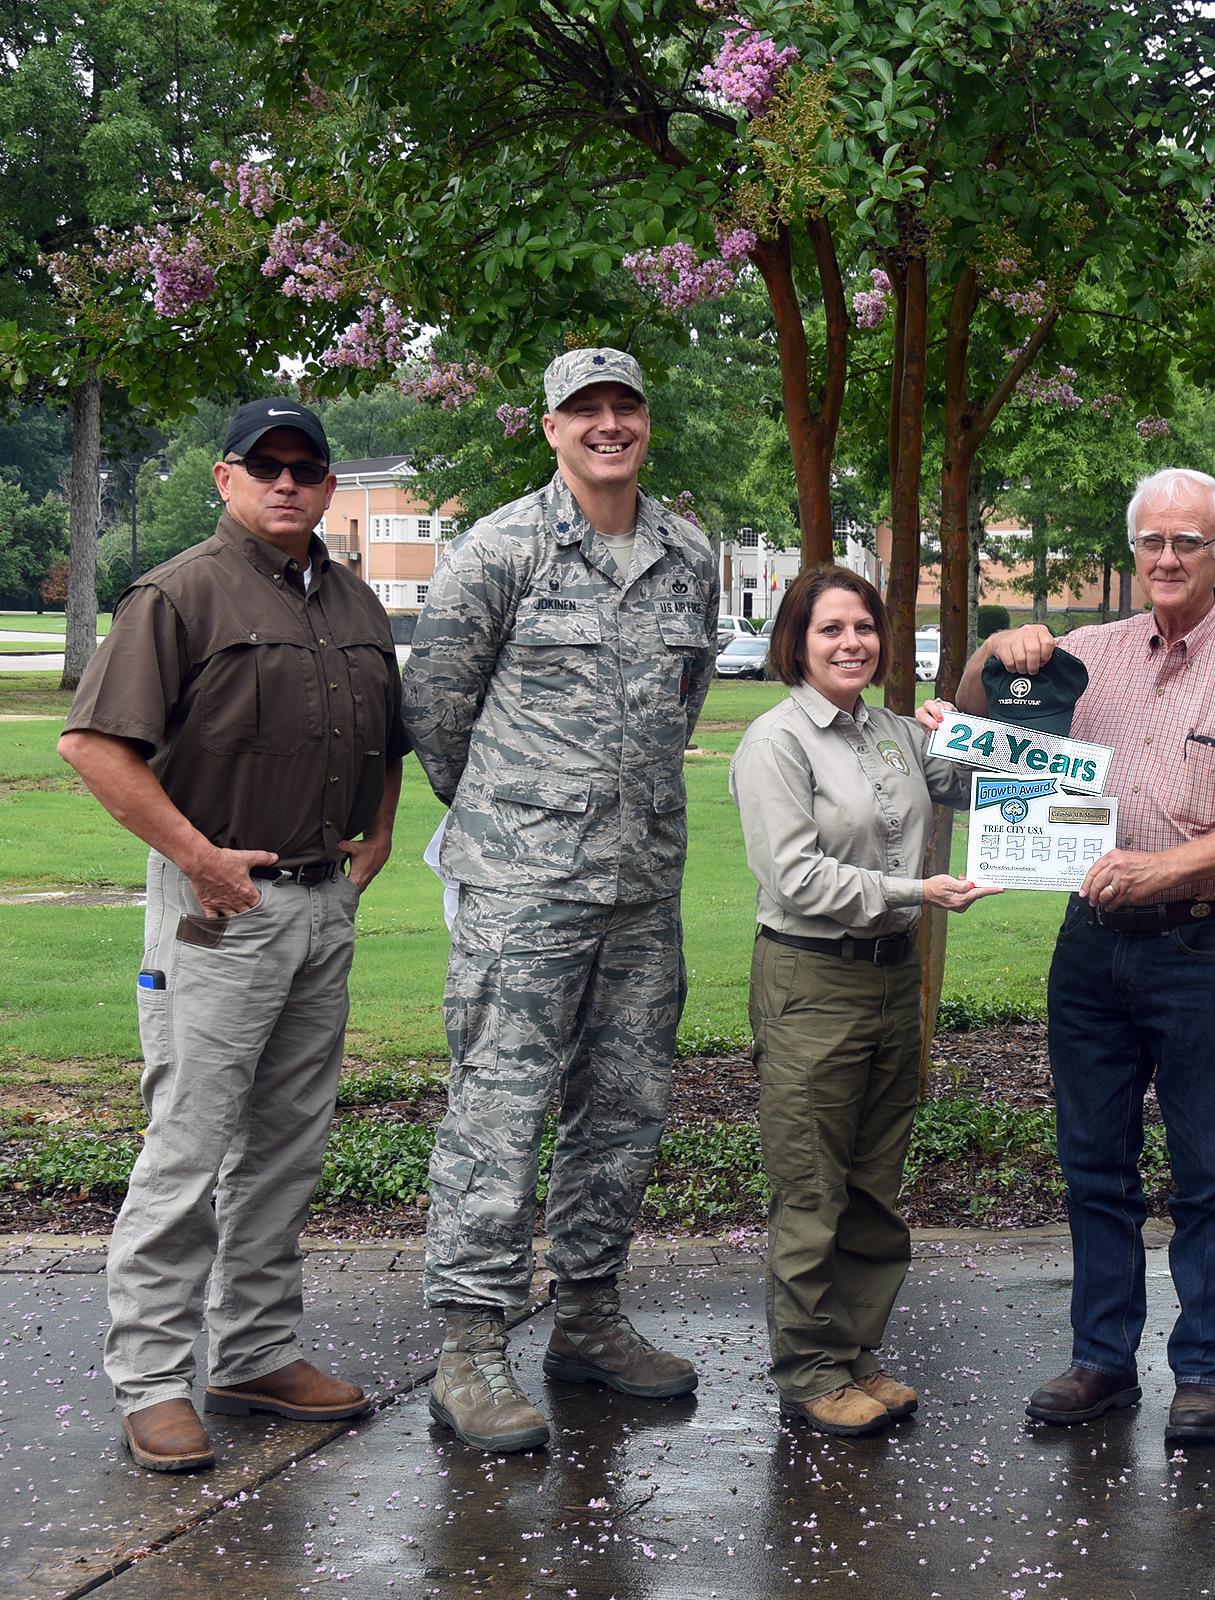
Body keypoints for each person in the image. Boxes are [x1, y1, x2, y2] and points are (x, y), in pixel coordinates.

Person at [59, 398, 404, 1471]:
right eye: (268, 466)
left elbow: (387, 736)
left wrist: (378, 833)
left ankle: (255, 1350)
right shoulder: (179, 595)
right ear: (226, 478)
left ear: (328, 484)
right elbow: (93, 747)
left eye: (306, 466)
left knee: (286, 1151)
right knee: (189, 1146)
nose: (287, 481)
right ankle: (153, 1380)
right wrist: (197, 856)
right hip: (216, 910)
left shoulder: (355, 600)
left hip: (319, 902)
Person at [957, 467, 1215, 1447]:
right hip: (1090, 948)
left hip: (1202, 946)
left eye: (1187, 542)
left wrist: (1159, 873)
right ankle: (1100, 1361)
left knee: (1206, 1170)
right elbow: (975, 737)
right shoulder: (1079, 658)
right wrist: (994, 652)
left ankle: (1203, 1372)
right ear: (1134, 551)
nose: (1167, 558)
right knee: (1092, 1165)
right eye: (1152, 541)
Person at [402, 348, 717, 1454]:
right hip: (524, 889)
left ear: (646, 421)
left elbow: (683, 700)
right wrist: (514, 822)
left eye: (625, 405)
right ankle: (469, 1348)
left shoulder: (687, 553)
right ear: (548, 428)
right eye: (584, 410)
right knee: (499, 1109)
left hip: (641, 886)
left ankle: (585, 1315)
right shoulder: (501, 548)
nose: (607, 424)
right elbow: (437, 709)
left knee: (624, 1105)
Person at [729, 565, 997, 1437]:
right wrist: (918, 893)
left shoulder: (892, 733)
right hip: (813, 979)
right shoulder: (775, 743)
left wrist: (968, 732)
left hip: (892, 976)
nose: (853, 644)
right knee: (813, 1186)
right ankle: (809, 1369)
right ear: (795, 645)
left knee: (875, 1184)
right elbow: (796, 877)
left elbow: (981, 786)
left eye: (865, 628)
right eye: (830, 630)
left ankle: (855, 1354)